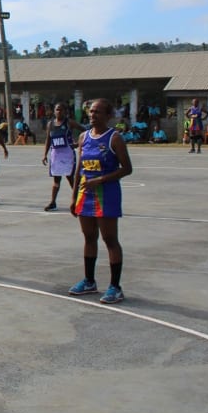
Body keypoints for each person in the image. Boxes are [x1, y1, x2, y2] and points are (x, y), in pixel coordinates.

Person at [68, 98, 133, 304]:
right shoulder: (83, 137)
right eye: (91, 111)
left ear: (108, 115)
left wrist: (101, 180)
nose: (92, 115)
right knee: (89, 237)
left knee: (110, 239)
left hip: (107, 194)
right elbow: (79, 168)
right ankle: (89, 281)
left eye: (97, 112)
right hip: (85, 195)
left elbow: (127, 168)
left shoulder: (114, 138)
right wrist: (73, 195)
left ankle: (115, 286)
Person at [41, 102, 84, 212]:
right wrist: (44, 154)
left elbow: (85, 131)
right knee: (56, 180)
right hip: (55, 155)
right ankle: (53, 202)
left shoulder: (69, 123)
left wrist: (78, 143)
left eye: (61, 109)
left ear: (65, 111)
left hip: (67, 154)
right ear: (54, 111)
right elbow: (48, 140)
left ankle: (80, 202)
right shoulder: (50, 124)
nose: (58, 112)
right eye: (57, 109)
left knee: (71, 179)